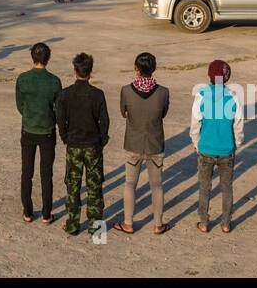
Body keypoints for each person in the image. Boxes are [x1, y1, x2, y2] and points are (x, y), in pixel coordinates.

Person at [113, 52, 171, 236]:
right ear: (153, 69)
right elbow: (163, 114)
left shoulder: (126, 90)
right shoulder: (163, 92)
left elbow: (123, 112)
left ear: (136, 69)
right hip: (155, 143)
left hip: (133, 142)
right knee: (157, 185)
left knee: (130, 183)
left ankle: (128, 223)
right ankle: (158, 224)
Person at [56, 53, 108, 236]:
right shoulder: (98, 95)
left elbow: (60, 120)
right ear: (91, 71)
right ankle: (96, 227)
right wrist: (102, 140)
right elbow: (104, 121)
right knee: (95, 186)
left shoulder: (65, 94)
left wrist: (64, 137)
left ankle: (72, 224)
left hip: (74, 144)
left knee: (73, 185)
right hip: (92, 145)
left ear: (74, 70)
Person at [191, 59, 245, 234]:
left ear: (209, 76)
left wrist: (197, 144)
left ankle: (204, 222)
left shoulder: (201, 95)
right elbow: (238, 125)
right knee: (227, 187)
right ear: (227, 78)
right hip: (226, 150)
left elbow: (195, 125)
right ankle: (226, 223)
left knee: (204, 186)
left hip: (205, 148)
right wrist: (236, 144)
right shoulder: (234, 97)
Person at [15, 41, 62, 224]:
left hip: (28, 129)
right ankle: (46, 213)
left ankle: (27, 211)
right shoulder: (54, 81)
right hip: (47, 131)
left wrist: (29, 115)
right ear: (48, 58)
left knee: (27, 172)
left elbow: (20, 105)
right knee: (46, 173)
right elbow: (58, 108)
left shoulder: (23, 79)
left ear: (32, 57)